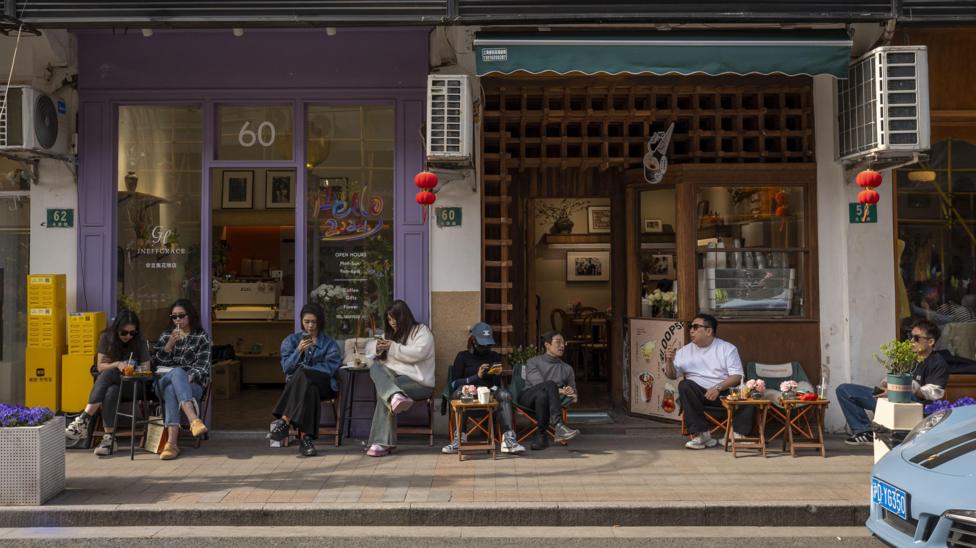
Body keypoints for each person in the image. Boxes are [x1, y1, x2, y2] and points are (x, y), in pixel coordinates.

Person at [837, 318, 949, 446]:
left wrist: (906, 389)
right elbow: (891, 377)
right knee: (844, 390)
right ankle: (864, 431)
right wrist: (886, 385)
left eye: (916, 338)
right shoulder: (906, 357)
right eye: (910, 336)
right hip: (890, 398)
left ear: (930, 341)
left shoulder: (938, 363)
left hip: (915, 408)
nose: (911, 341)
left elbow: (935, 392)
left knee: (907, 394)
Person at [64, 310, 151, 456]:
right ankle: (110, 439)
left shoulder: (140, 341)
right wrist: (117, 364)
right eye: (124, 332)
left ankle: (84, 419)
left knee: (109, 374)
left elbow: (146, 368)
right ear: (117, 328)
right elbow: (100, 367)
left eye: (132, 333)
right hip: (113, 384)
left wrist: (131, 368)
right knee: (111, 388)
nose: (128, 336)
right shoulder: (106, 338)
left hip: (133, 385)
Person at [663, 313, 752, 450]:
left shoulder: (727, 348)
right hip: (698, 395)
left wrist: (718, 388)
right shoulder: (683, 351)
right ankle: (701, 434)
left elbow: (737, 376)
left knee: (752, 390)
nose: (691, 330)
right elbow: (672, 376)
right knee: (685, 385)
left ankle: (735, 434)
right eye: (690, 327)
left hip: (724, 393)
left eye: (695, 327)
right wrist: (669, 361)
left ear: (709, 331)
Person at [268, 303, 342, 457]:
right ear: (302, 321)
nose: (310, 326)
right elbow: (286, 368)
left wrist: (307, 370)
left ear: (320, 322)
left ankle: (285, 420)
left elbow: (330, 368)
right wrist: (298, 351)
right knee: (310, 389)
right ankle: (306, 439)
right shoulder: (291, 341)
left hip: (324, 385)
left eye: (314, 322)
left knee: (304, 374)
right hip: (302, 389)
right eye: (306, 321)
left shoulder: (329, 344)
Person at [442, 322, 526, 455]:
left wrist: (497, 375)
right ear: (473, 341)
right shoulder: (462, 356)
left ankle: (508, 440)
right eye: (482, 344)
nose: (485, 347)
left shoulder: (493, 356)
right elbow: (454, 384)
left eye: (488, 344)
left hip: (488, 394)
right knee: (461, 393)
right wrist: (476, 376)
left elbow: (496, 386)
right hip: (468, 392)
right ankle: (459, 439)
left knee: (505, 394)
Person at [365, 300, 436, 457]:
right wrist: (377, 348)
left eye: (395, 318)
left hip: (420, 383)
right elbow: (369, 350)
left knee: (386, 391)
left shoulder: (421, 331)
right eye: (389, 319)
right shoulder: (389, 334)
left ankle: (382, 443)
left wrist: (393, 347)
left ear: (404, 316)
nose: (392, 323)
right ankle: (394, 395)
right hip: (396, 382)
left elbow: (418, 353)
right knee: (376, 368)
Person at [152, 299, 211, 460]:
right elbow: (154, 364)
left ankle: (171, 444)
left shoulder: (201, 337)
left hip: (192, 385)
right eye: (174, 317)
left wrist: (185, 378)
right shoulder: (166, 336)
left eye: (181, 316)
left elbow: (203, 368)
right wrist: (169, 345)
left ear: (190, 316)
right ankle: (193, 419)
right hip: (162, 383)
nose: (177, 320)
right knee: (176, 374)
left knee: (174, 386)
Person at [518, 331, 580, 451]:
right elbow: (539, 384)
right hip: (528, 397)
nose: (562, 346)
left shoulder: (567, 368)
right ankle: (558, 425)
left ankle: (541, 436)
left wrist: (571, 392)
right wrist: (561, 391)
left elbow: (575, 396)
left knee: (543, 395)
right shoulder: (533, 362)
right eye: (558, 342)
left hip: (545, 401)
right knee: (548, 386)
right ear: (547, 345)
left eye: (563, 343)